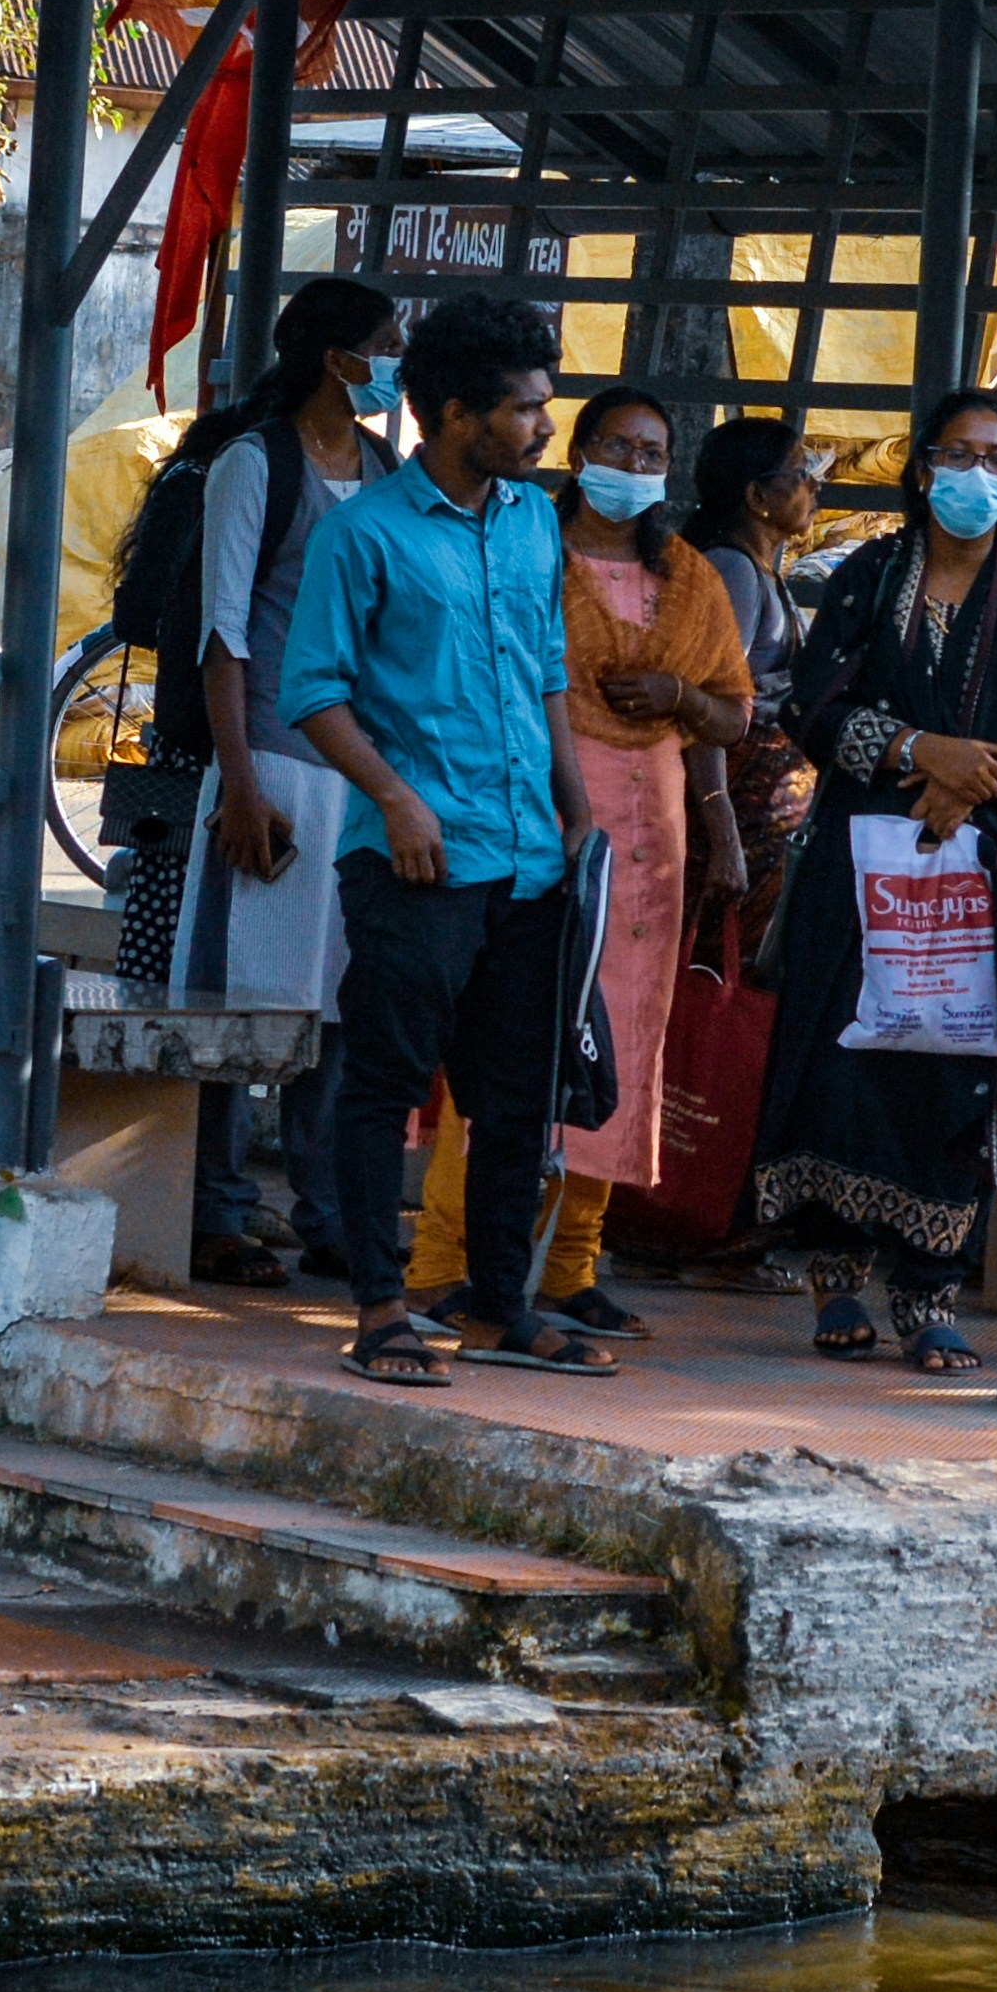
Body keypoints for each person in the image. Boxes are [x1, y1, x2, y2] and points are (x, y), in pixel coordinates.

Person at [278, 288, 619, 1388]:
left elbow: (545, 676)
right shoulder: (361, 534)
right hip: (412, 861)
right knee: (383, 1082)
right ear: (455, 413)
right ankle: (379, 1305)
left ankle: (496, 1304)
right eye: (524, 410)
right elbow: (312, 692)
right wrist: (396, 797)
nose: (542, 427)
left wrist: (574, 806)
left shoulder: (531, 523)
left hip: (526, 857)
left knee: (512, 1096)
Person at [405, 383, 754, 1337]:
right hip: (532, 814)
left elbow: (733, 710)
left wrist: (678, 692)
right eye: (616, 446)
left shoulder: (688, 576)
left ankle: (570, 1268)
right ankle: (442, 1263)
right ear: (578, 452)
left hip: (649, 836)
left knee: (622, 1045)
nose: (633, 466)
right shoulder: (524, 547)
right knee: (504, 1041)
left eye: (652, 453)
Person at [745, 391, 997, 1373]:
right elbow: (805, 701)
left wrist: (977, 781)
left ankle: (929, 1290)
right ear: (923, 466)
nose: (975, 474)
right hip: (854, 871)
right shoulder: (863, 574)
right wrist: (912, 748)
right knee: (840, 1063)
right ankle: (836, 1280)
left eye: (996, 458)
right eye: (957, 453)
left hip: (975, 873)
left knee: (950, 1070)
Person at [181, 277, 404, 1287]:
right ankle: (214, 1207)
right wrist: (236, 782)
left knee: (339, 1006)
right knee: (239, 998)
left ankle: (325, 1208)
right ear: (336, 357)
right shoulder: (252, 464)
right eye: (385, 344)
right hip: (268, 764)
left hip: (357, 773)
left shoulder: (385, 468)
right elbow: (222, 631)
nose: (395, 361)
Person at [683, 416, 821, 976]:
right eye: (801, 472)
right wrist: (724, 837)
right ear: (758, 495)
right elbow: (706, 709)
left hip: (763, 824)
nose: (814, 486)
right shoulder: (733, 571)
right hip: (736, 822)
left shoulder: (763, 571)